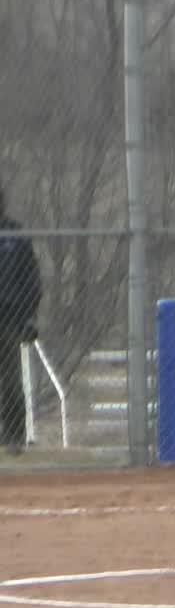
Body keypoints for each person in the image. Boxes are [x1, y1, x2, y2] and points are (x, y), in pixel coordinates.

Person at [0, 183, 41, 454]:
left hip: (8, 317)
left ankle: (14, 438)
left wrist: (28, 316)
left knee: (11, 382)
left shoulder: (15, 235)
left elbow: (31, 279)